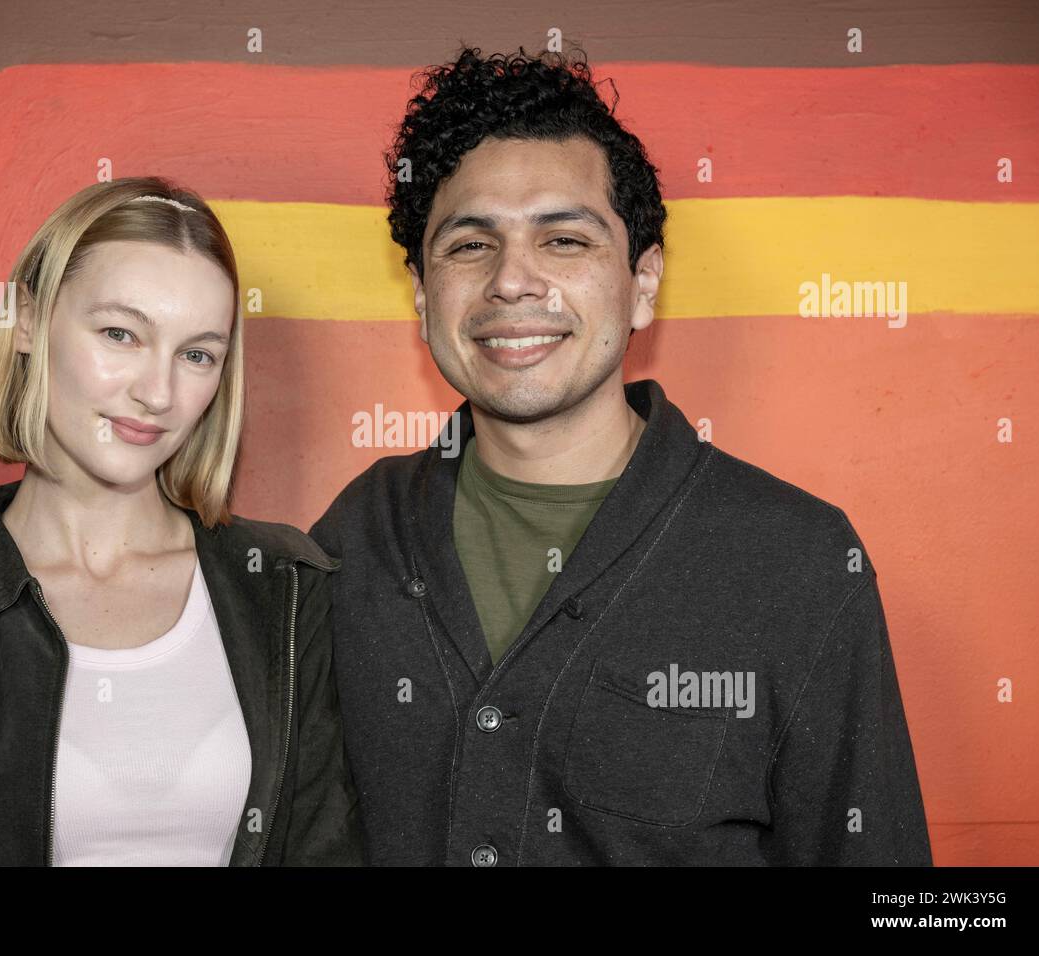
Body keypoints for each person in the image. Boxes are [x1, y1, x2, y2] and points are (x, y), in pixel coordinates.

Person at [308, 46, 933, 866]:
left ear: (643, 283)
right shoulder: (353, 539)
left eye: (564, 240)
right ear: (424, 295)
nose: (512, 282)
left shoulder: (801, 564)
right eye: (469, 246)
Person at [0, 176, 364, 866]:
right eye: (121, 334)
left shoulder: (289, 587)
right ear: (29, 320)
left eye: (197, 354)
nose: (157, 392)